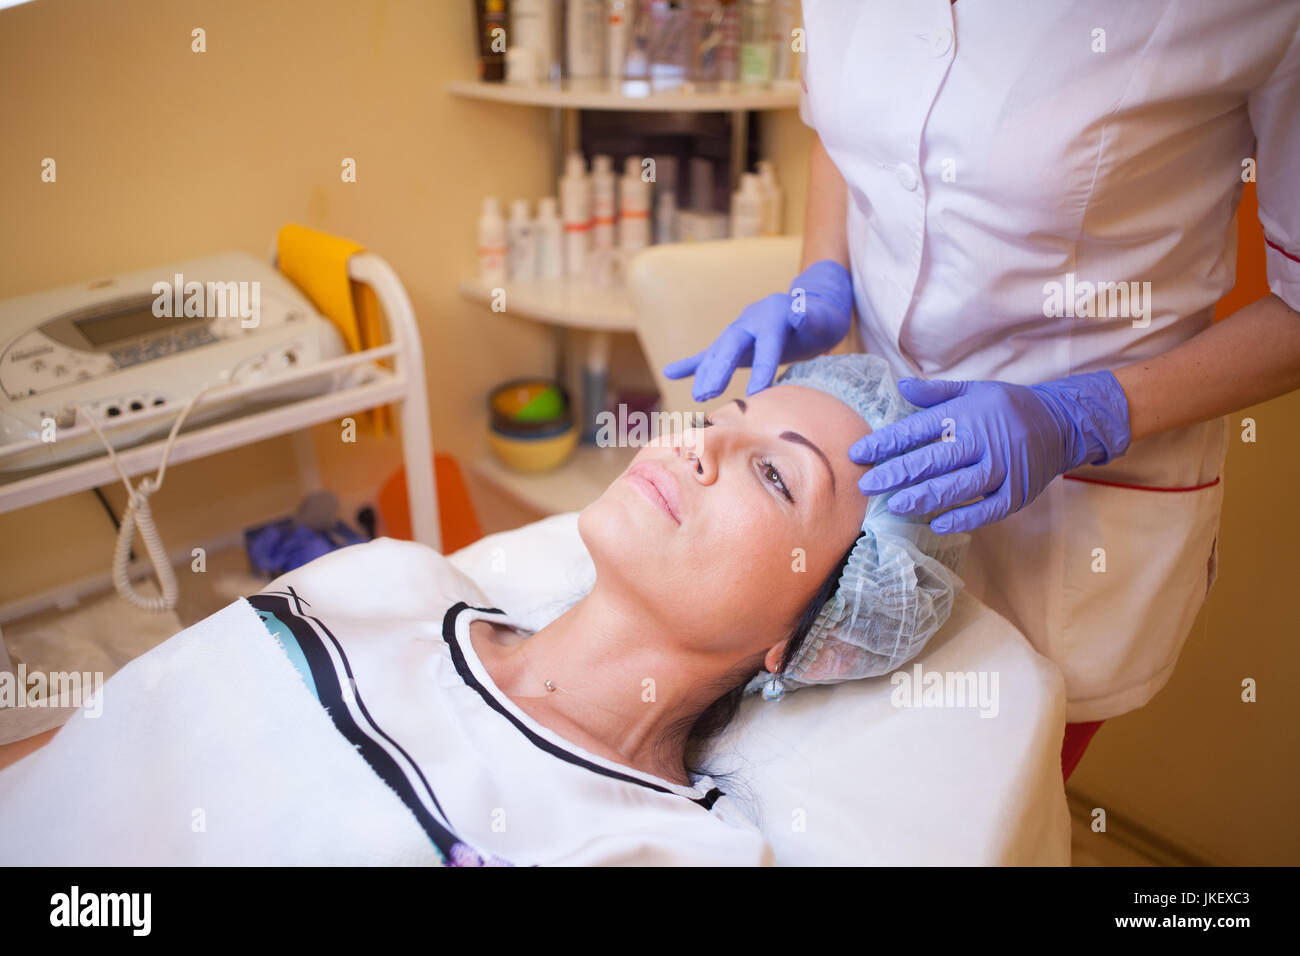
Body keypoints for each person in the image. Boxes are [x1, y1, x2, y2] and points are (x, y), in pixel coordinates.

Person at [665, 0, 1300, 780]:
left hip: (1076, 517)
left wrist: (1084, 415)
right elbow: (841, 129)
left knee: (979, 802)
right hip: (873, 472)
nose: (691, 452)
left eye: (769, 469)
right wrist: (821, 277)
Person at [0, 355, 967, 866]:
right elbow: (93, 750)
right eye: (720, 418)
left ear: (799, 637)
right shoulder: (383, 581)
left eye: (771, 472)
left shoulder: (665, 849)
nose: (695, 446)